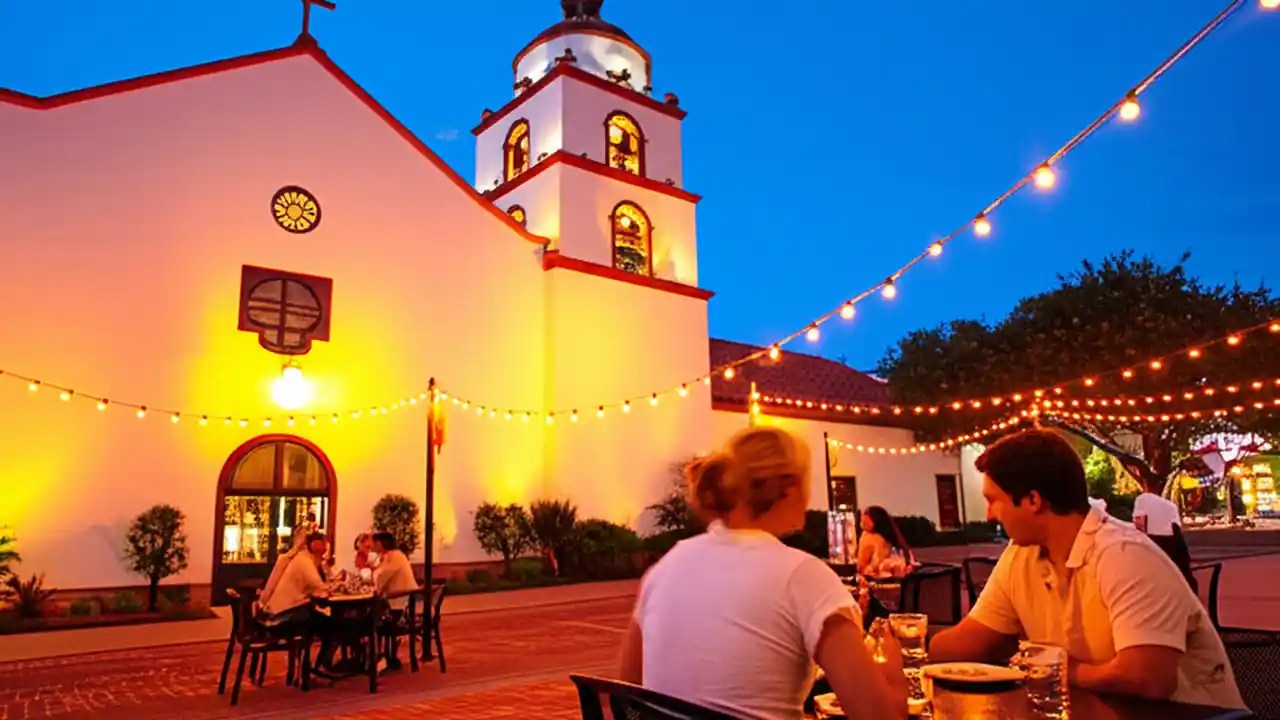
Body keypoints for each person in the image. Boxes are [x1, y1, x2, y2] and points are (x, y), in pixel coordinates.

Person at [929, 430, 1243, 708]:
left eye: (993, 500)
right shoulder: (1022, 556)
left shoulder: (1123, 555)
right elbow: (975, 641)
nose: (988, 515)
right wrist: (906, 638)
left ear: (1032, 500)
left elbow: (1148, 679)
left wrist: (1062, 669)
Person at [620, 426, 907, 720]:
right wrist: (892, 670)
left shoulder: (664, 568)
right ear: (791, 487)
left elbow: (625, 694)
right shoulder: (802, 576)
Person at [260, 532, 330, 626]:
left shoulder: (304, 558)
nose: (327, 546)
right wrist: (334, 587)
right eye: (324, 542)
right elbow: (319, 587)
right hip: (281, 616)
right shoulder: (304, 561)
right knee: (325, 621)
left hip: (278, 612)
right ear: (314, 544)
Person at [857, 506, 913, 577]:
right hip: (896, 578)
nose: (863, 521)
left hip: (874, 577)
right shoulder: (891, 537)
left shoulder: (868, 537)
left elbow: (861, 565)